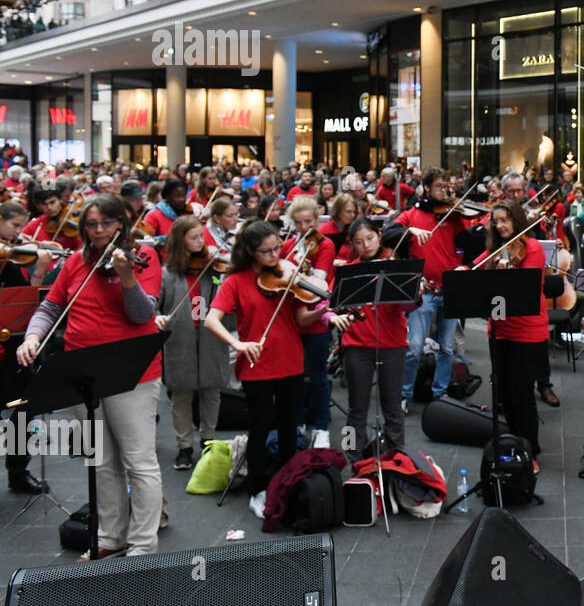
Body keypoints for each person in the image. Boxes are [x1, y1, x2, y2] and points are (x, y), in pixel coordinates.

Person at [17, 195, 164, 558]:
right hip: (83, 374)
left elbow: (142, 314)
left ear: (121, 224)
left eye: (106, 224)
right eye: (91, 225)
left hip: (133, 373)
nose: (99, 232)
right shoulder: (77, 263)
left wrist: (127, 278)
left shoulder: (143, 257)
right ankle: (110, 538)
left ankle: (142, 545)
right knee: (101, 460)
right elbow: (52, 305)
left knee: (138, 460)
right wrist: (34, 335)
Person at [204, 221, 347, 519]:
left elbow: (301, 319)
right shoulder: (235, 281)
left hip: (291, 360)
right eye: (266, 252)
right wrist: (239, 344)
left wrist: (324, 309)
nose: (274, 256)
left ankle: (286, 483)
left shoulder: (287, 275)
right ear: (250, 252)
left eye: (276, 249)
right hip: (257, 364)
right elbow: (211, 320)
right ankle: (257, 489)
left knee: (288, 428)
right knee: (259, 429)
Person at [465, 200, 549, 465]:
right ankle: (513, 442)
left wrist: (504, 277)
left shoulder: (532, 247)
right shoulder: (496, 248)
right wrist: (463, 270)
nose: (500, 225)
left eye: (505, 220)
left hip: (527, 329)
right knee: (504, 391)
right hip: (499, 328)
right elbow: (475, 266)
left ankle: (530, 450)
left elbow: (527, 288)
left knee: (522, 392)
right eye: (496, 221)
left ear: (517, 220)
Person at [385, 168, 473, 411]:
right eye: (440, 187)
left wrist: (470, 224)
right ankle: (404, 394)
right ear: (426, 188)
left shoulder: (454, 215)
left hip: (451, 288)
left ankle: (440, 393)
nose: (446, 191)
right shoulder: (411, 214)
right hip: (424, 291)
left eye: (448, 187)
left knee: (447, 347)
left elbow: (470, 245)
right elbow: (388, 234)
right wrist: (410, 230)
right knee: (414, 348)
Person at [155, 215, 230, 470]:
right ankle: (184, 446)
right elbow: (157, 304)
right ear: (180, 241)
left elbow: (225, 294)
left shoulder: (212, 267)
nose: (201, 241)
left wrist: (222, 275)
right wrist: (159, 318)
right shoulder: (167, 273)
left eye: (201, 236)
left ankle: (208, 439)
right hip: (180, 338)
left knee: (212, 392)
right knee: (181, 395)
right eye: (194, 237)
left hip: (211, 336)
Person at [338, 218, 414, 457]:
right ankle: (352, 457)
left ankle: (397, 456)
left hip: (392, 343)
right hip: (357, 345)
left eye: (370, 239)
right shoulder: (350, 270)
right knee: (356, 409)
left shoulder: (394, 263)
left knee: (392, 408)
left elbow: (408, 309)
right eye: (359, 242)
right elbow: (336, 304)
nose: (366, 246)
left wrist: (413, 290)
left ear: (379, 235)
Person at [0, 201, 55, 495]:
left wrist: (40, 268)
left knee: (25, 407)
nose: (19, 234)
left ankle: (18, 470)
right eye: (14, 226)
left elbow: (25, 299)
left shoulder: (12, 258)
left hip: (10, 347)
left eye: (22, 226)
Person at [282, 197, 336, 448]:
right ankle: (298, 421)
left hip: (315, 318)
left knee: (318, 376)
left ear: (317, 220)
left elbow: (319, 282)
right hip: (291, 320)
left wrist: (300, 270)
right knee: (294, 376)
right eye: (299, 223)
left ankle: (322, 427)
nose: (305, 228)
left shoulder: (324, 245)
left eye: (309, 222)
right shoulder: (289, 246)